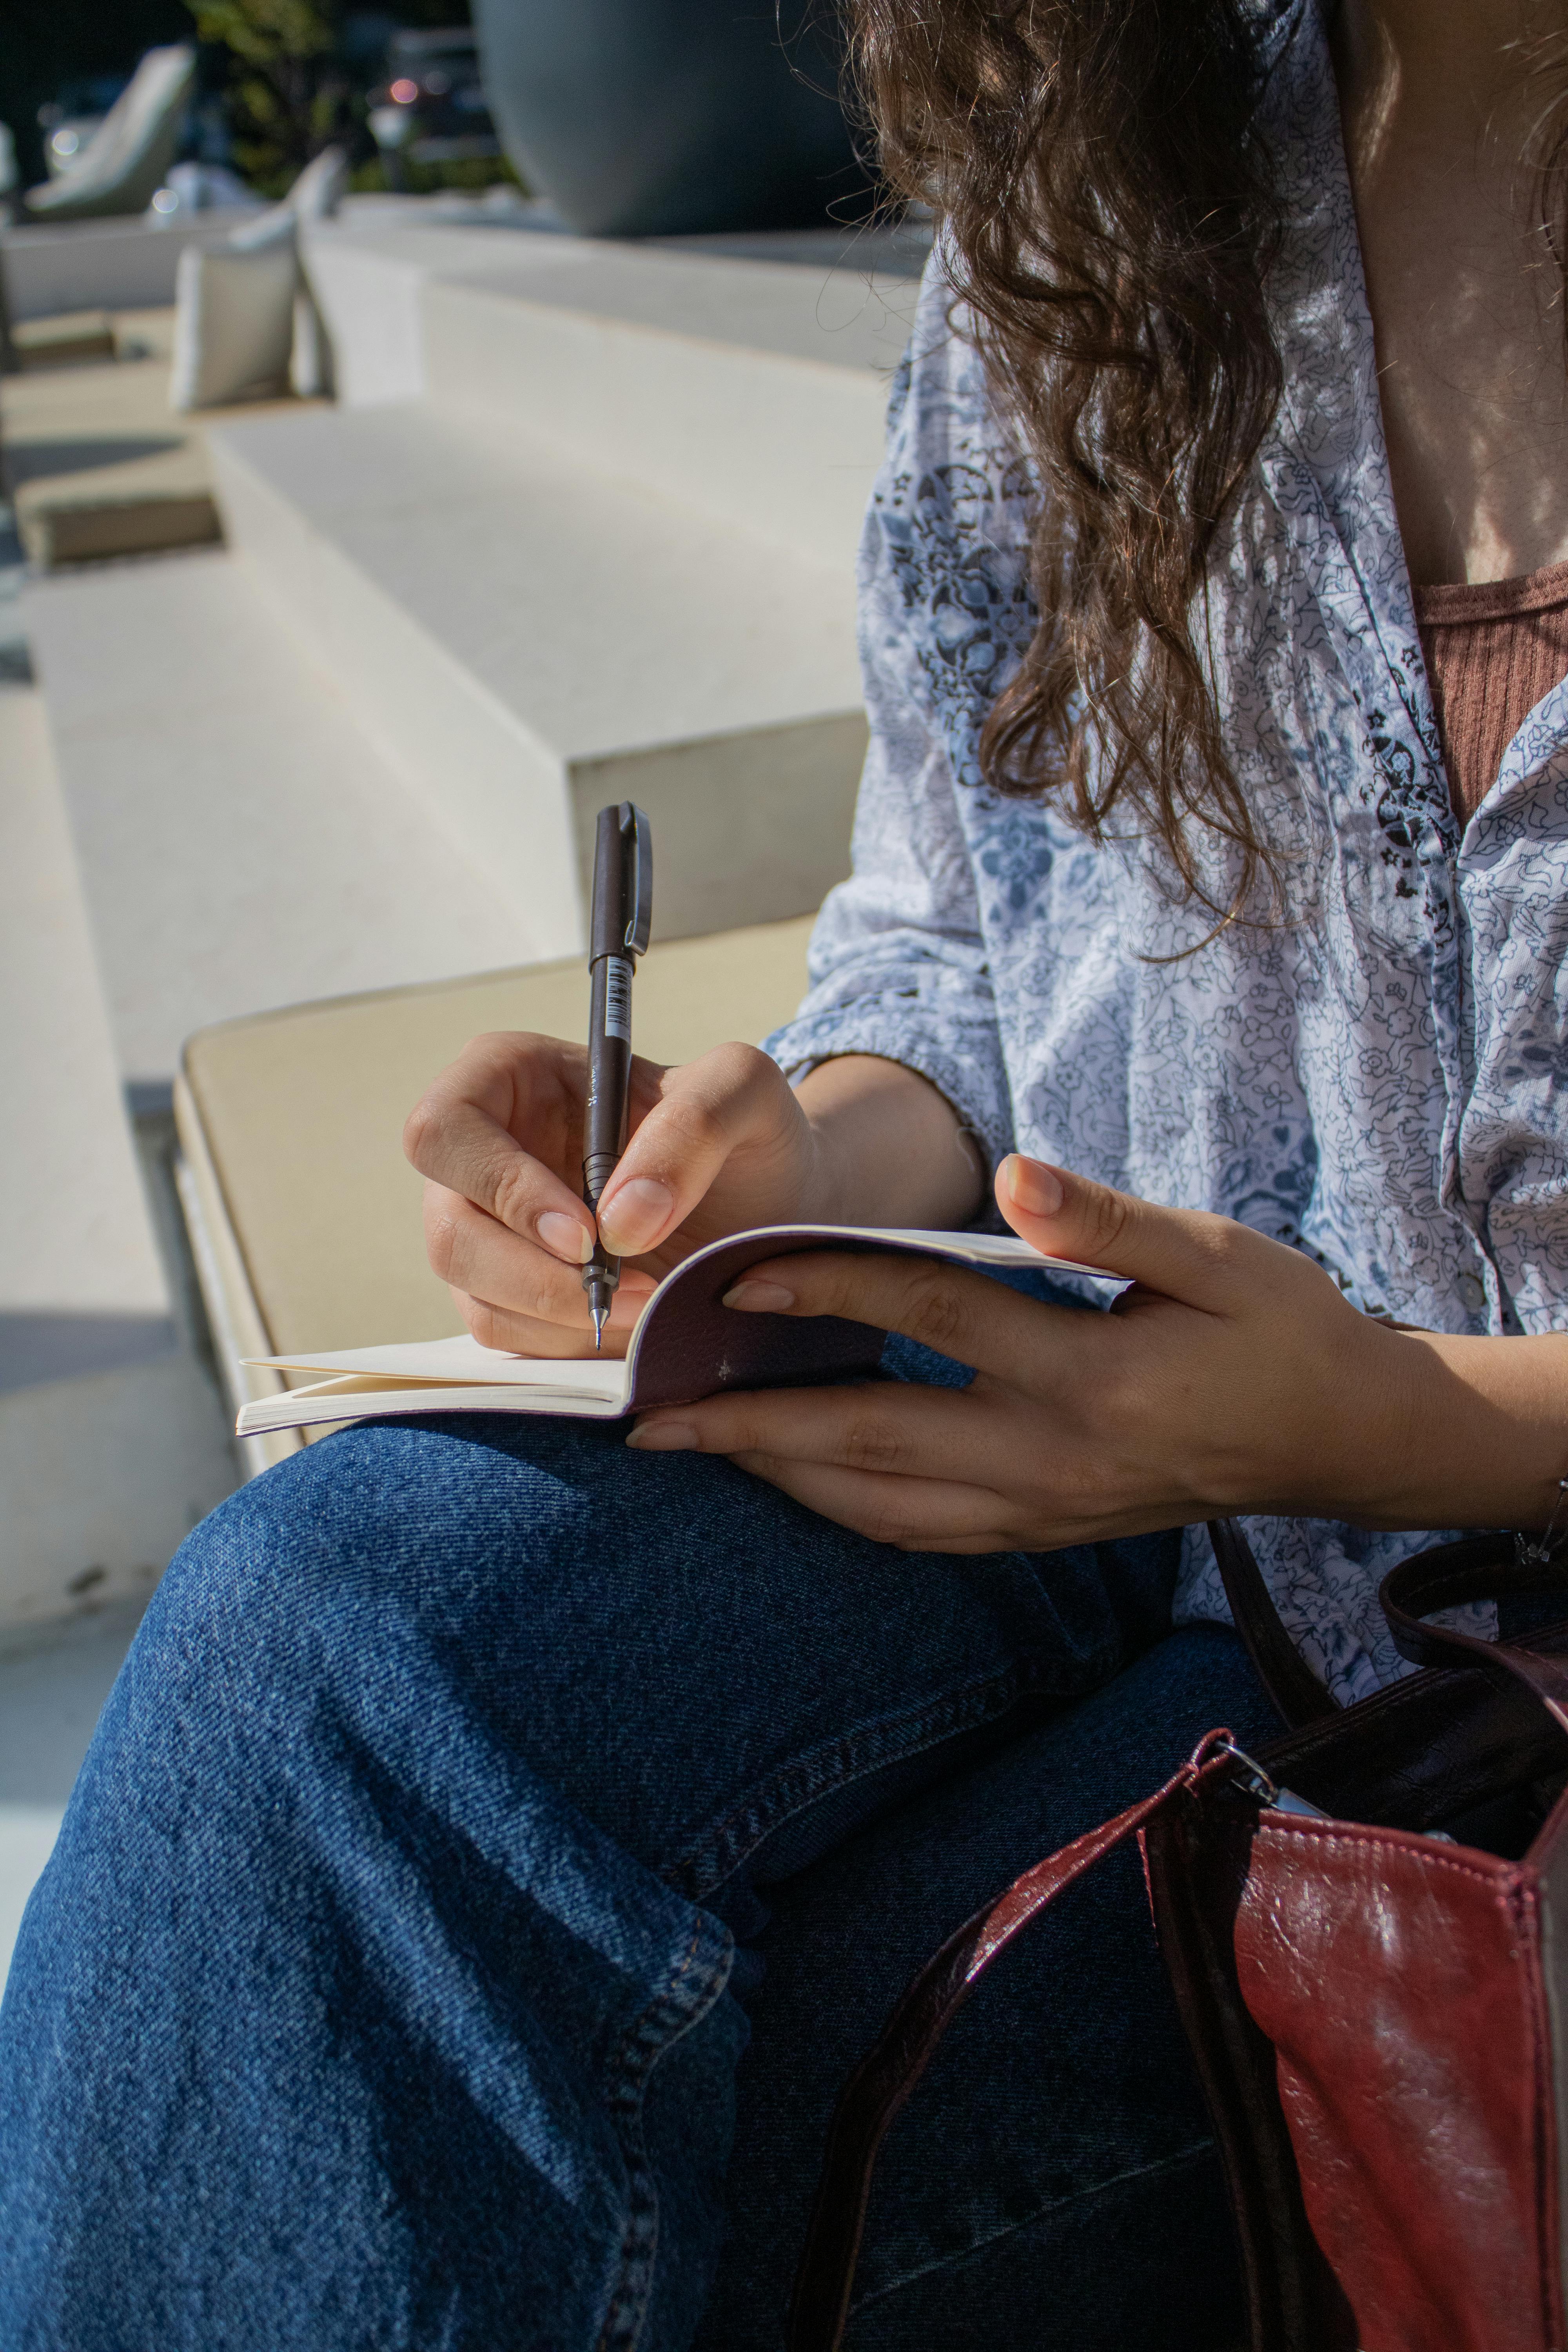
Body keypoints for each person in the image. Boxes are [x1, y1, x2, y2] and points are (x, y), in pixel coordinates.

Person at [5, 0, 1568, 2343]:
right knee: (317, 1665)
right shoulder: (1107, 186)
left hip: (1435, 1540)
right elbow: (962, 933)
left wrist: (1395, 1425)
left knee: (637, 2134)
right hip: (1146, 1475)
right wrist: (772, 1149)